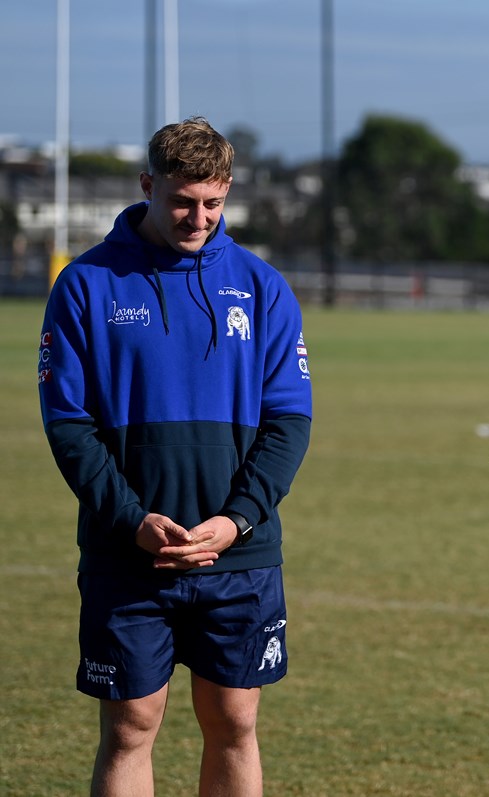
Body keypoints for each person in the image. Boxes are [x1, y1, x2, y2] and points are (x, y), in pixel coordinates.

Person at [38, 116, 312, 796]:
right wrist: (132, 518)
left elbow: (290, 420)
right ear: (147, 186)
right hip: (128, 551)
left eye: (214, 203)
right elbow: (69, 424)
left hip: (238, 553)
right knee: (132, 724)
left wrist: (238, 519)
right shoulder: (85, 284)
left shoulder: (262, 286)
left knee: (234, 720)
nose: (199, 218)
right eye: (182, 201)